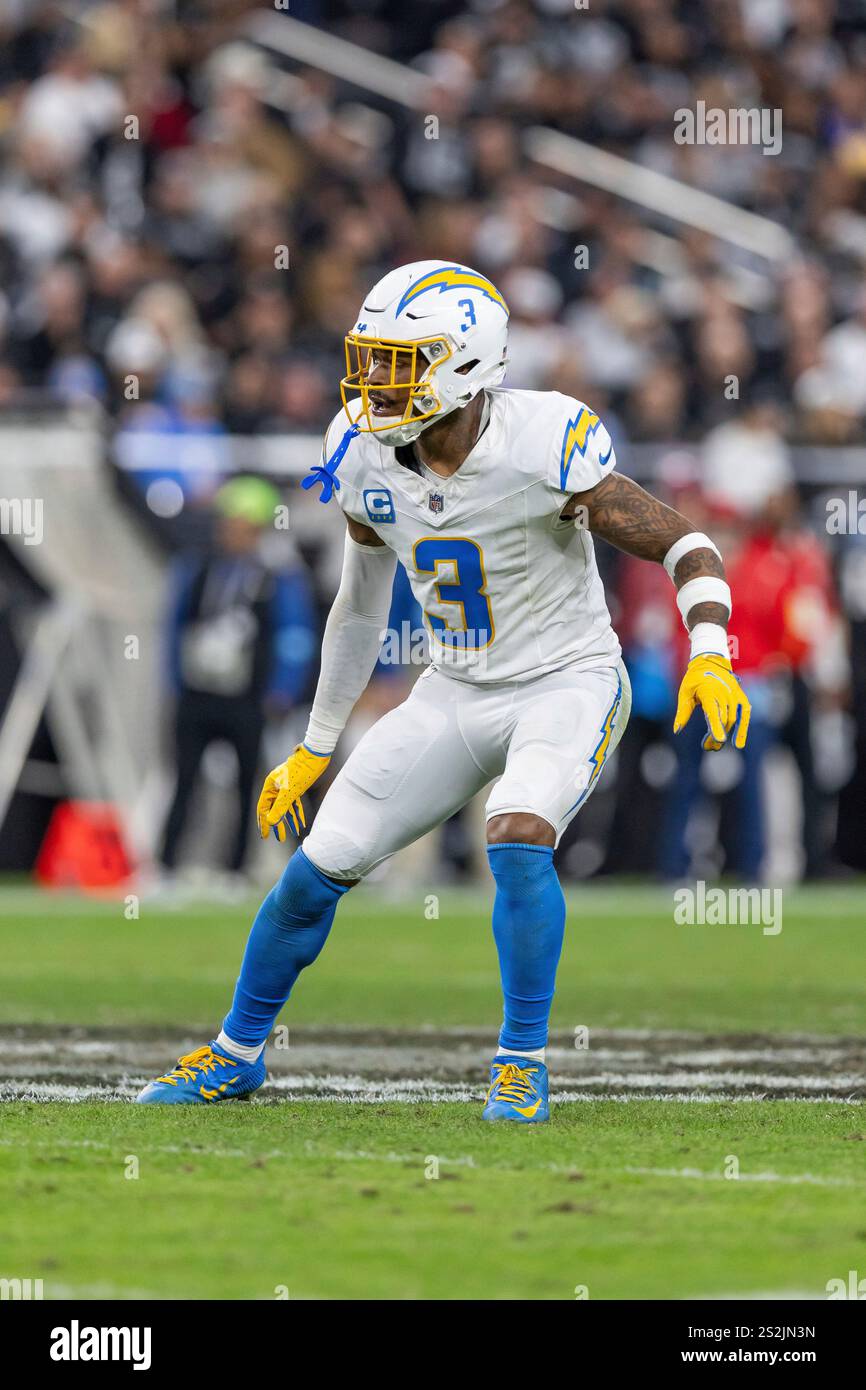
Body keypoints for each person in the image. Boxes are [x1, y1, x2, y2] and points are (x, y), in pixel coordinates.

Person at [137, 260, 750, 1121]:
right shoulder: (360, 451)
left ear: (466, 364)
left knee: (518, 833)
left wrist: (713, 654)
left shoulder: (544, 442)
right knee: (316, 870)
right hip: (454, 688)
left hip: (565, 679)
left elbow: (685, 545)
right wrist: (316, 746)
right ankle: (237, 1054)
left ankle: (521, 1063)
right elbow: (358, 607)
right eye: (371, 358)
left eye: (399, 361)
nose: (373, 382)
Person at [157, 476, 316, 887]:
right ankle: (167, 865)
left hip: (248, 698)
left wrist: (281, 690)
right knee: (184, 778)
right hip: (198, 693)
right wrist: (174, 682)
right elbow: (174, 627)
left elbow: (294, 635)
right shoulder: (197, 569)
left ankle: (234, 869)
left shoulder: (277, 577)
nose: (233, 533)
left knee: (249, 784)